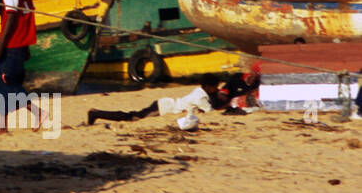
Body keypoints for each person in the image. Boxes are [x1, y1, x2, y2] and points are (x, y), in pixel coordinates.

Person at [0, 0, 44, 134]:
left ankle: (38, 112)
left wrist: (1, 44)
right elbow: (27, 18)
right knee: (1, 84)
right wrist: (27, 45)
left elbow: (12, 19)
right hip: (21, 43)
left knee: (9, 80)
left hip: (12, 43)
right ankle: (2, 126)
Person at [85, 73, 261, 125]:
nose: (216, 89)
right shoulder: (200, 97)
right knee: (132, 117)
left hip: (166, 104)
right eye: (214, 87)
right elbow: (212, 112)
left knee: (132, 116)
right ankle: (96, 113)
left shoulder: (203, 92)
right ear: (208, 87)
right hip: (164, 107)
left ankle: (96, 114)